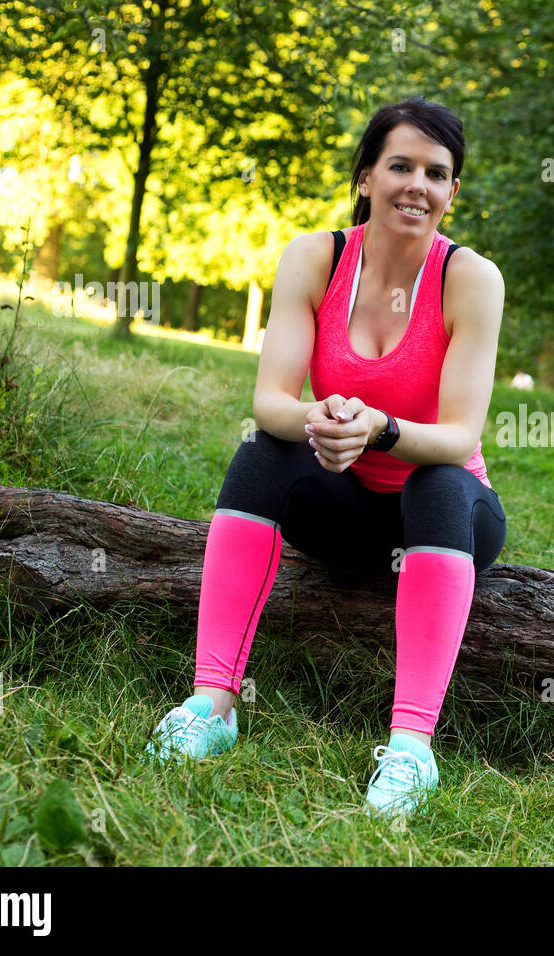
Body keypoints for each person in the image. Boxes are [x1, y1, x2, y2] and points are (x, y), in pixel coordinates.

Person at [144, 96, 507, 821]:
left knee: (436, 479)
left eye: (437, 174)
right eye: (400, 165)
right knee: (264, 447)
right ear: (366, 176)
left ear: (453, 193)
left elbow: (462, 436)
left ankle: (410, 750)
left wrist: (377, 428)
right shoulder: (317, 256)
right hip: (342, 513)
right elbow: (272, 398)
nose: (418, 186)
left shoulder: (471, 278)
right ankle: (213, 703)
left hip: (444, 516)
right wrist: (323, 417)